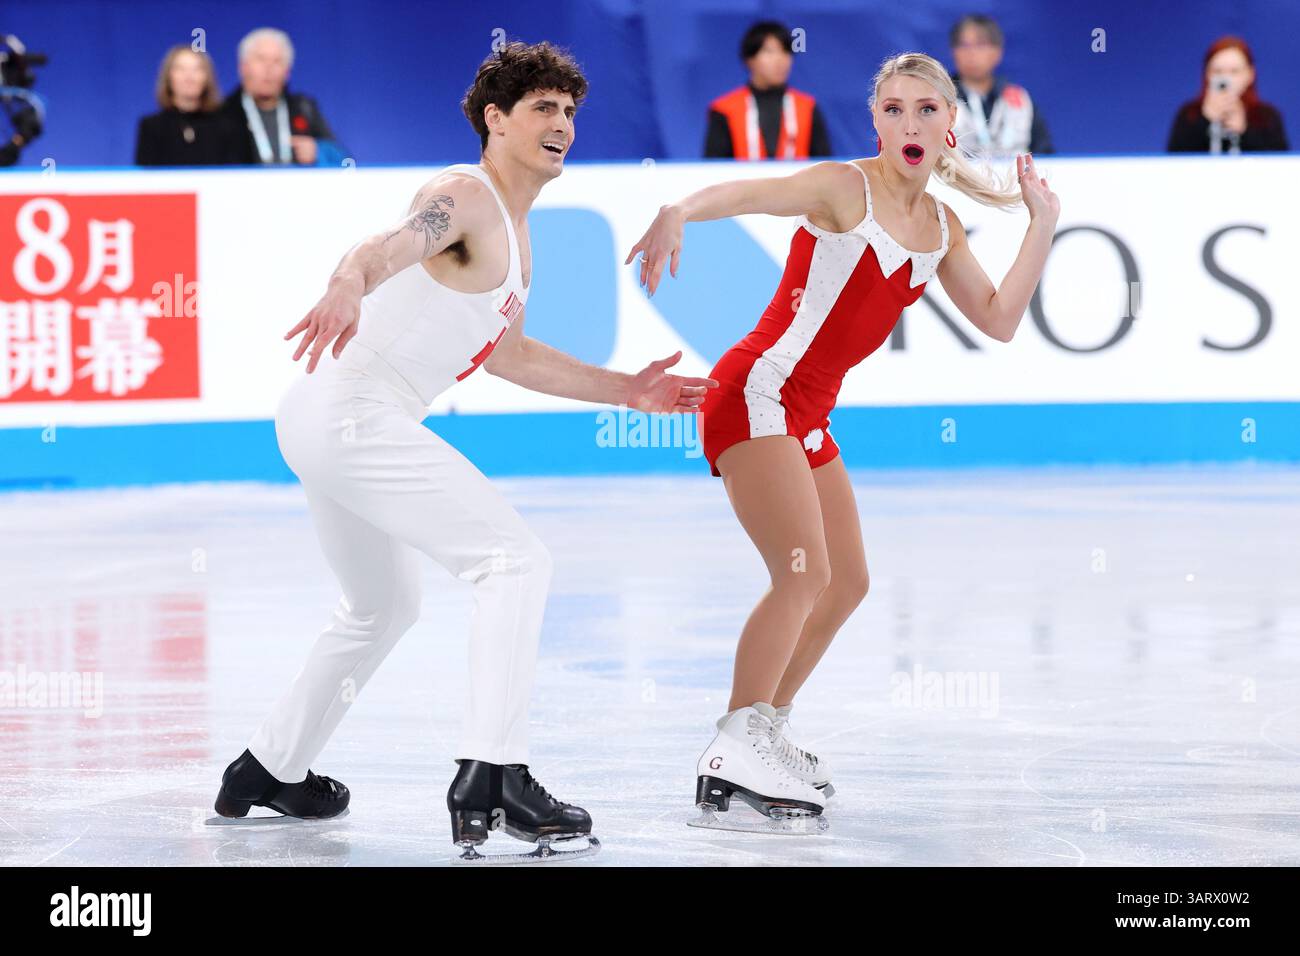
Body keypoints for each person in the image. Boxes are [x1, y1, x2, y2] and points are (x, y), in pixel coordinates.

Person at [212, 40, 717, 863]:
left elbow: (511, 355)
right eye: (543, 109)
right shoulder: (465, 196)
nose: (562, 127)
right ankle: (493, 773)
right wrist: (348, 279)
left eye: (570, 112)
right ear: (496, 119)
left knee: (383, 606)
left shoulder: (517, 232)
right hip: (352, 411)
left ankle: (268, 767)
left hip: (338, 420)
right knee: (515, 561)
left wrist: (627, 389)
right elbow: (388, 246)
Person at [627, 51, 1059, 831]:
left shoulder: (940, 226)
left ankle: (765, 730)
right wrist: (680, 210)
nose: (909, 123)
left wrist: (1043, 222)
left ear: (949, 124)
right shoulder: (843, 187)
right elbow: (754, 191)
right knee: (803, 572)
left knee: (847, 582)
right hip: (754, 392)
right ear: (877, 122)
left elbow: (998, 319)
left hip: (808, 416)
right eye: (893, 109)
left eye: (926, 109)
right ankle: (733, 743)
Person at [704, 20, 832, 160]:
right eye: (769, 52)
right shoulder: (725, 110)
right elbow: (714, 169)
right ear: (750, 59)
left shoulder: (807, 107)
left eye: (785, 51)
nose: (780, 60)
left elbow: (824, 166)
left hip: (796, 182)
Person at [217, 27, 343, 166]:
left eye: (277, 61)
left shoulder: (304, 108)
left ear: (287, 72)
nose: (268, 68)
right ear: (243, 67)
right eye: (261, 59)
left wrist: (318, 152)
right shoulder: (222, 113)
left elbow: (344, 161)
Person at [948, 14, 1052, 158]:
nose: (971, 53)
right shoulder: (940, 98)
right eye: (964, 45)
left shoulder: (1020, 101)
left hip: (1014, 179)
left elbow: (1046, 157)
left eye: (980, 45)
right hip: (955, 179)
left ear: (997, 52)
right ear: (954, 52)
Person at [1167, 36, 1289, 153]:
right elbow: (1175, 159)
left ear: (1250, 74)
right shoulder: (1189, 114)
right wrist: (1206, 120)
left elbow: (1279, 161)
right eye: (1218, 71)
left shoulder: (1266, 116)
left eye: (1234, 71)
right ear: (1207, 74)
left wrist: (1244, 131)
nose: (1225, 78)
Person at [134, 45, 247, 165]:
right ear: (168, 77)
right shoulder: (152, 127)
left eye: (197, 69)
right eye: (181, 69)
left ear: (207, 78)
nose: (189, 77)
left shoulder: (227, 127)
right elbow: (147, 178)